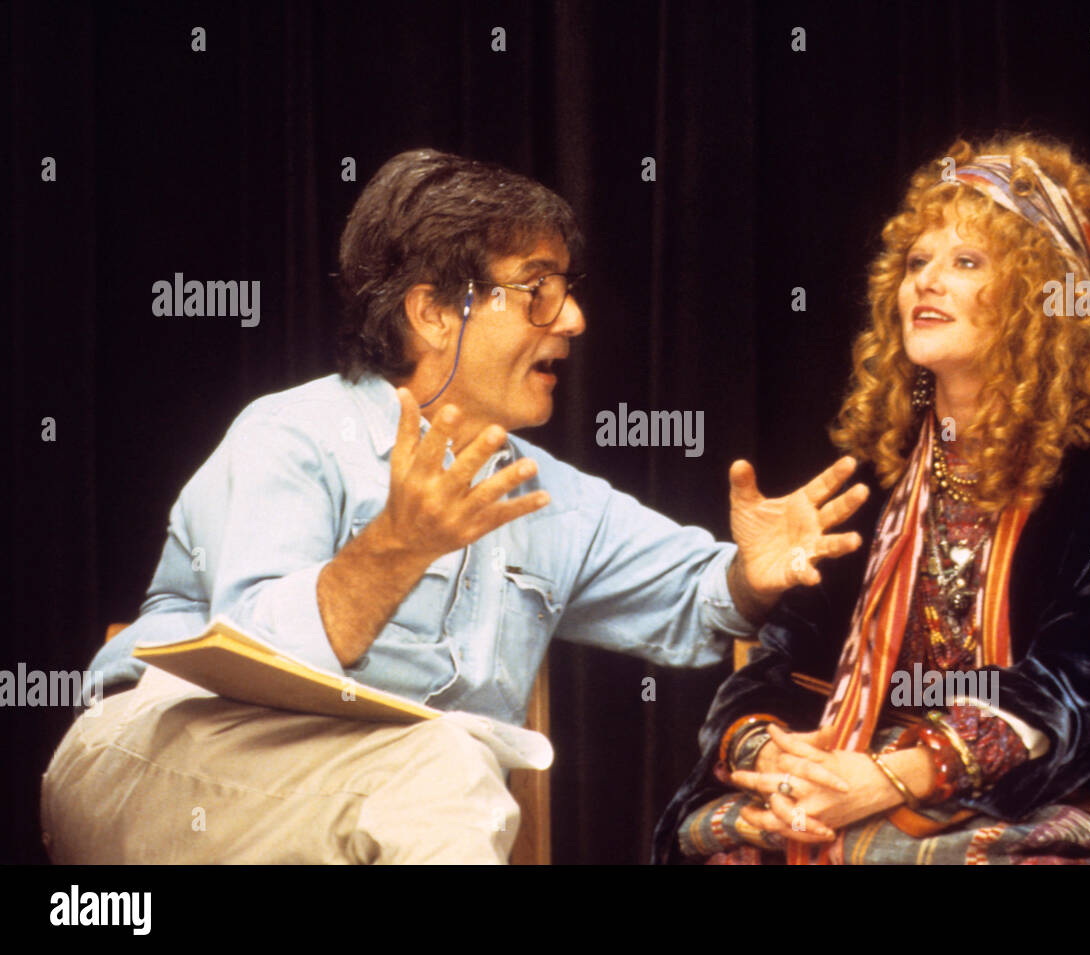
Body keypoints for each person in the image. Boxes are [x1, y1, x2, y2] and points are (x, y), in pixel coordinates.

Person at [40, 148, 868, 864]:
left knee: (444, 767)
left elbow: (699, 595)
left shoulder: (544, 492)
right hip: (154, 764)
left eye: (566, 288)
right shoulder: (292, 435)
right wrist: (397, 546)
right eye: (536, 289)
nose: (572, 319)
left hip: (379, 794)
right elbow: (250, 654)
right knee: (447, 765)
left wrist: (752, 573)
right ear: (434, 310)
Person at [655, 134, 1090, 865]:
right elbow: (780, 670)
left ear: (1040, 299)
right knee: (741, 843)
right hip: (850, 771)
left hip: (1040, 790)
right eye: (916, 263)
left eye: (965, 262)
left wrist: (890, 777)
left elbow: (1069, 694)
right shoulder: (875, 483)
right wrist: (779, 758)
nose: (927, 282)